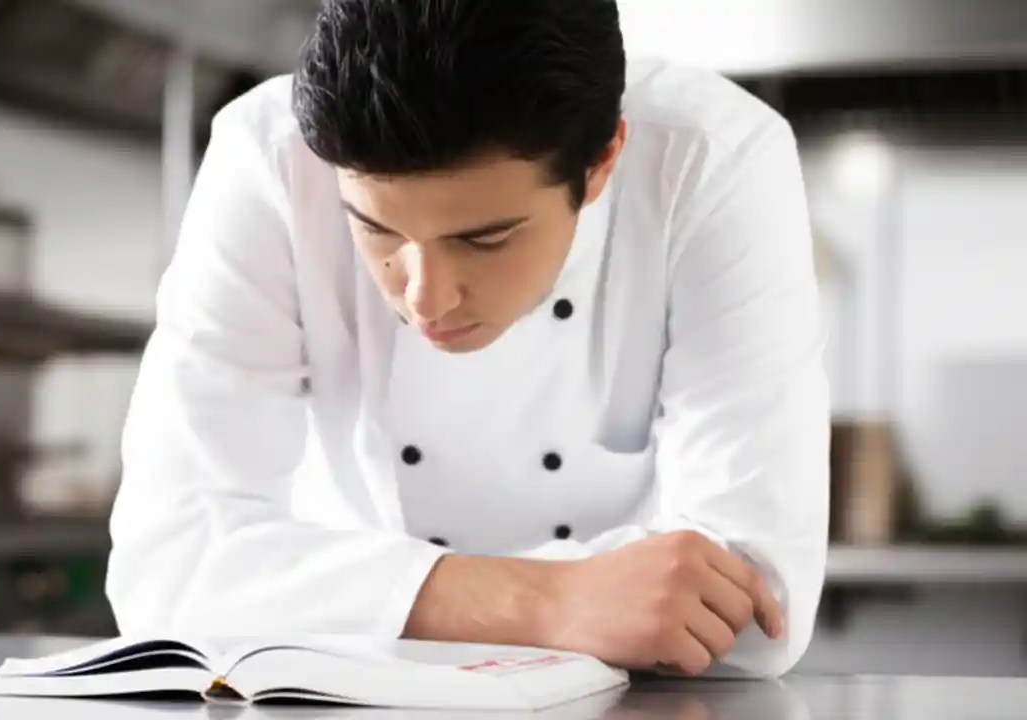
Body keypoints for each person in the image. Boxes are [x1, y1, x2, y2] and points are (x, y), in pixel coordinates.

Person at [107, 0, 828, 678]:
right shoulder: (269, 156)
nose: (424, 295)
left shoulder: (715, 157)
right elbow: (165, 566)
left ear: (604, 158)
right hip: (350, 695)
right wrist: (550, 601)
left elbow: (757, 598)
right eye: (376, 229)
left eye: (485, 238)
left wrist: (333, 593)